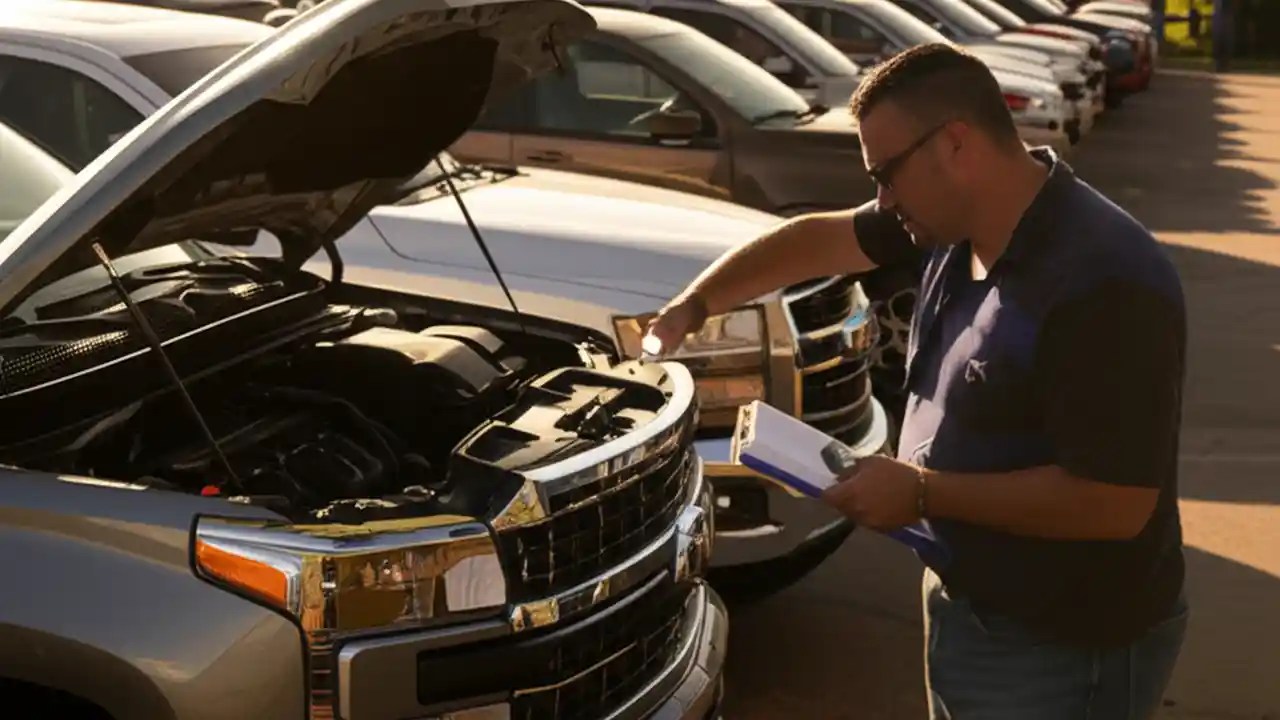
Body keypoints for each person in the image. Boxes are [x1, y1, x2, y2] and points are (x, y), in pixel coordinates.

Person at [644, 44, 1189, 719]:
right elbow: (816, 238)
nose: (881, 198)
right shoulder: (952, 224)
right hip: (973, 602)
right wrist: (695, 305)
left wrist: (926, 492)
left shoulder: (1104, 282)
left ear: (956, 143)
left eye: (886, 174)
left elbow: (1115, 501)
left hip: (1066, 644)